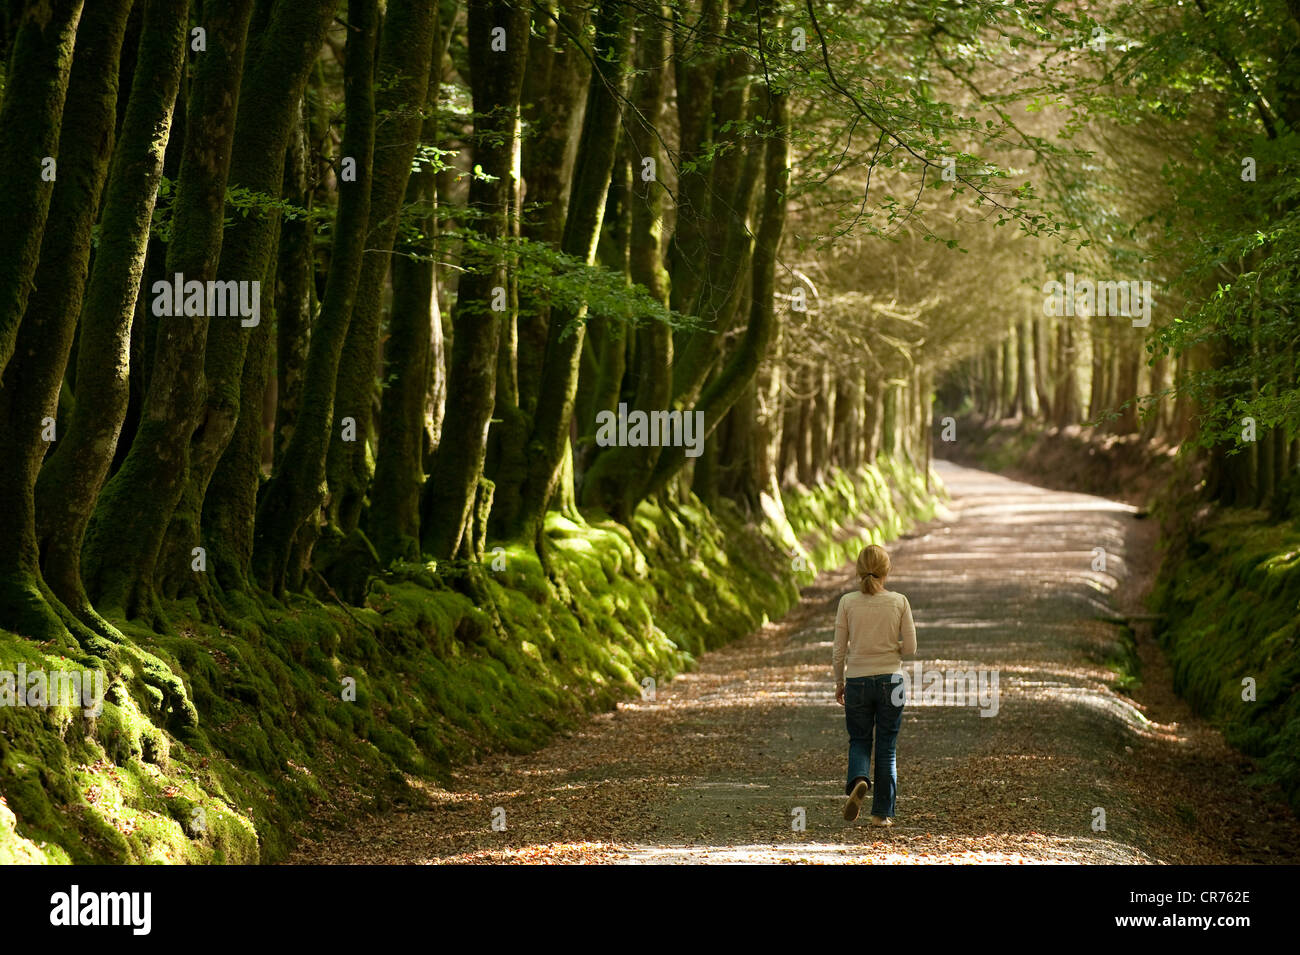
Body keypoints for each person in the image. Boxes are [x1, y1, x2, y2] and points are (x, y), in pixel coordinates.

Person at [833, 543, 917, 825]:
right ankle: (881, 814)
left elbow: (838, 650)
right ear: (886, 571)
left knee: (859, 739)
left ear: (858, 570)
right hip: (891, 681)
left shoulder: (847, 602)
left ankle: (859, 779)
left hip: (856, 680)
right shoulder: (899, 601)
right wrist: (892, 647)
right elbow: (911, 648)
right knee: (887, 745)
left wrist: (838, 681)